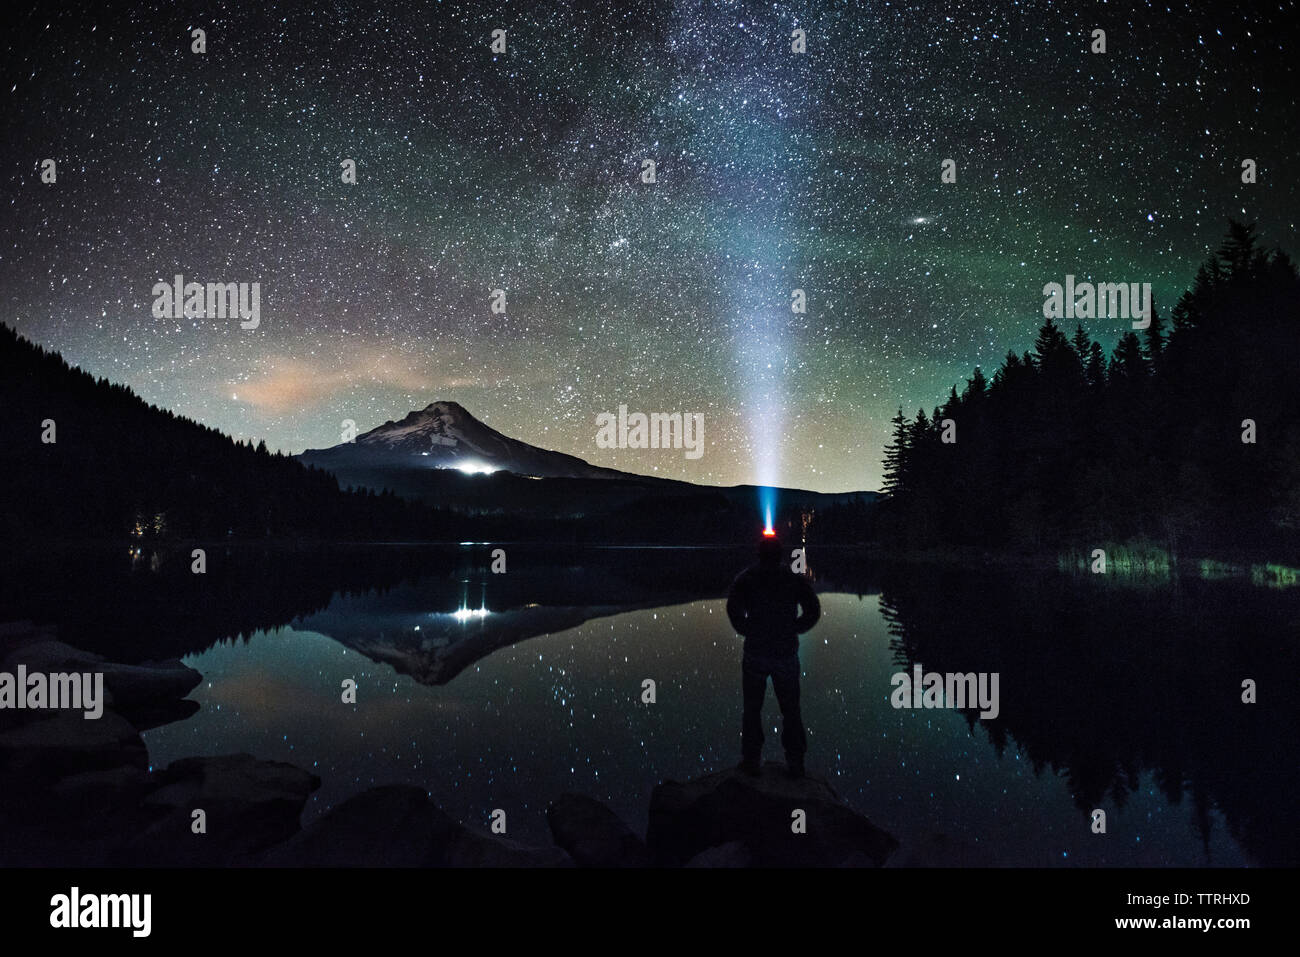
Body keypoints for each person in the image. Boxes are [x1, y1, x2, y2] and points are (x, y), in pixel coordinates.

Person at [725, 534, 821, 778]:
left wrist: (747, 630)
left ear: (759, 553)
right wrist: (794, 628)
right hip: (785, 654)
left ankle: (751, 760)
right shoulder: (793, 579)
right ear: (780, 554)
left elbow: (733, 609)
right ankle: (796, 762)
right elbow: (813, 610)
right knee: (791, 709)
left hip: (756, 653)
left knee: (752, 709)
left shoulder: (746, 578)